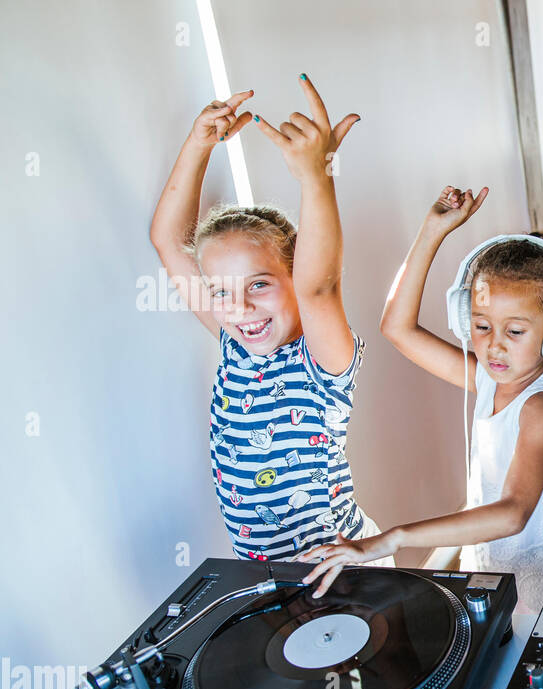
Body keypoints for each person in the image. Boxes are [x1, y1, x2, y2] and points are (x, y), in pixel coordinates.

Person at [299, 187, 543, 612]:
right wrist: (432, 231)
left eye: (515, 331)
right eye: (481, 326)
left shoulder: (541, 406)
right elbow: (397, 328)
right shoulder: (489, 380)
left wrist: (393, 538)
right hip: (505, 577)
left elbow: (513, 512)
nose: (494, 346)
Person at [149, 77, 389, 563]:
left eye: (259, 284)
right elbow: (169, 243)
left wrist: (316, 179)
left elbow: (319, 287)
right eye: (220, 291)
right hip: (270, 574)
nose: (239, 308)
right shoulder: (234, 345)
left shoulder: (322, 361)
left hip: (343, 567)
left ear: (295, 271)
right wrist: (200, 143)